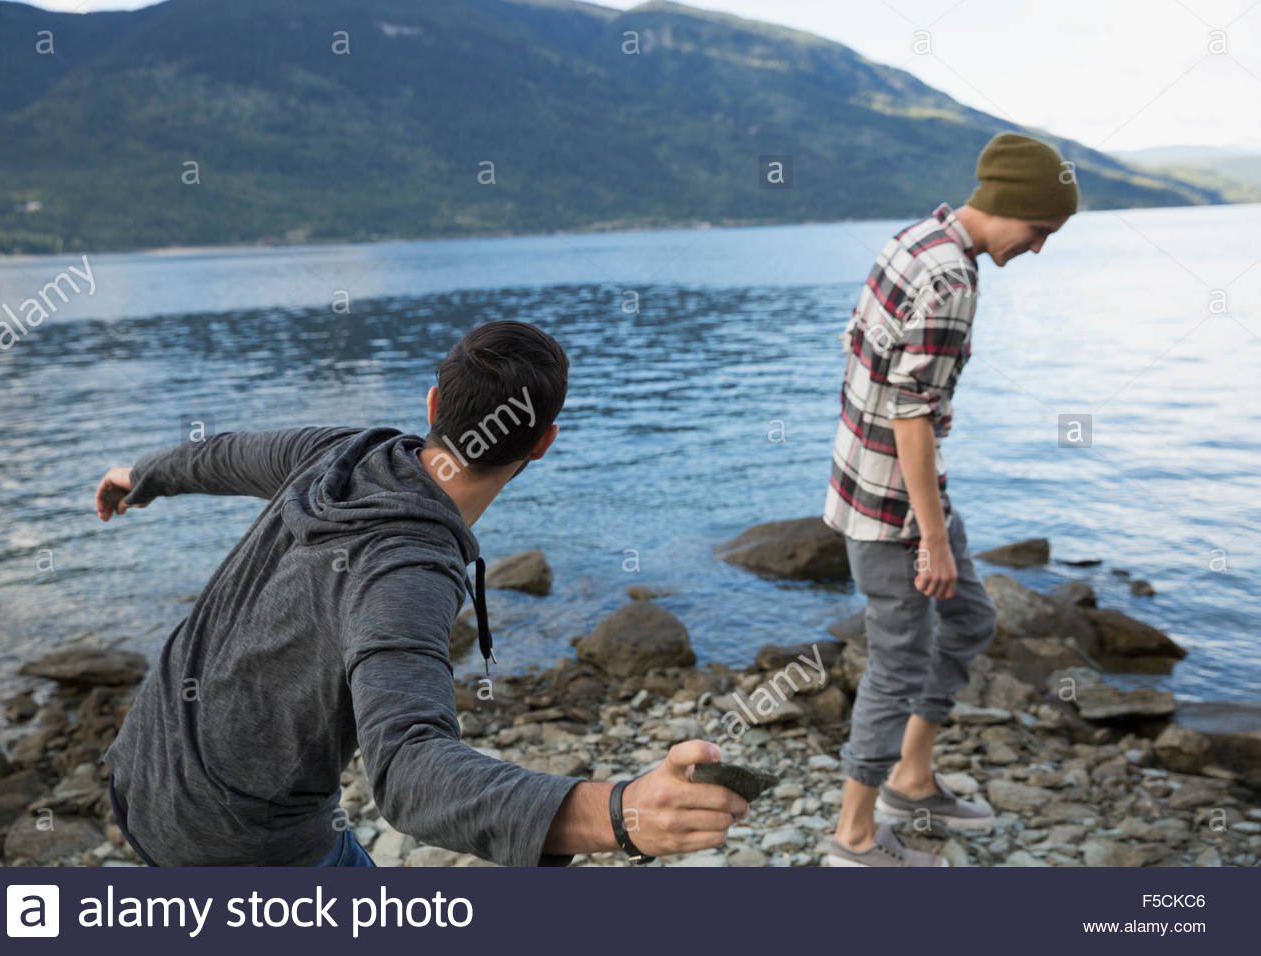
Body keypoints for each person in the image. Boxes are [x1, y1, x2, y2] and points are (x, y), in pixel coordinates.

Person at [96, 320, 747, 866]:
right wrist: (618, 812)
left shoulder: (341, 453)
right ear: (544, 444)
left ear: (435, 406)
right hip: (239, 845)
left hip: (140, 771)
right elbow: (409, 772)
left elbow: (224, 455)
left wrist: (140, 475)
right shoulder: (407, 569)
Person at [821, 133, 1077, 866]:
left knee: (968, 616)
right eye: (1040, 231)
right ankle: (855, 839)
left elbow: (867, 352)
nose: (1038, 248)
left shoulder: (917, 240)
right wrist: (931, 539)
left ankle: (912, 777)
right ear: (1013, 207)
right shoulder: (954, 282)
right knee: (898, 663)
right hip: (892, 507)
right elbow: (906, 412)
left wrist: (923, 414)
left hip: (888, 484)